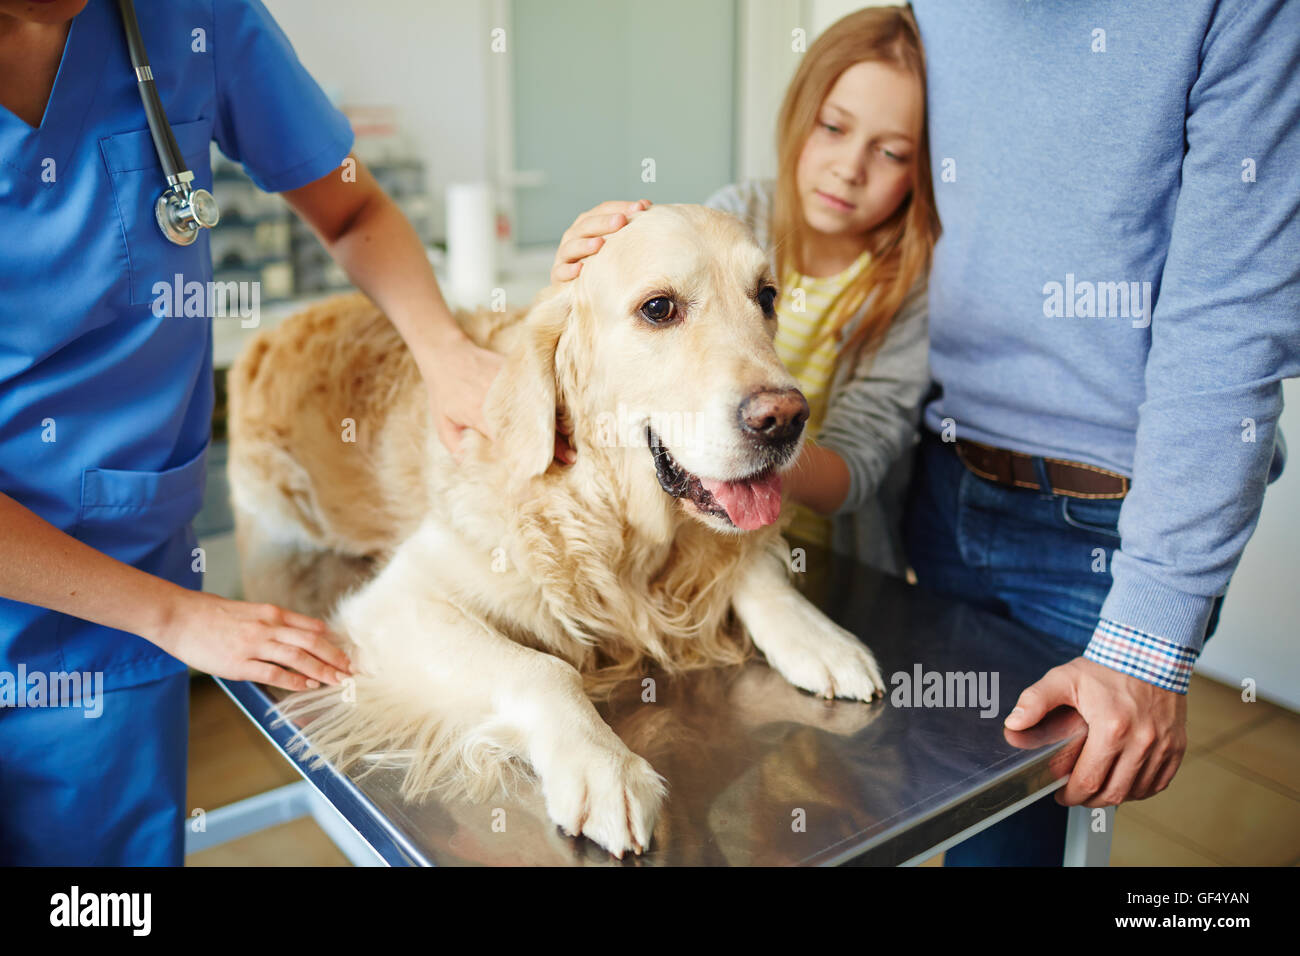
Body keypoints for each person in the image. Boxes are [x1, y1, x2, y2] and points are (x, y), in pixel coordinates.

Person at [0, 0, 499, 865]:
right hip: (139, 605)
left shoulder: (193, 17)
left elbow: (348, 209)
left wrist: (446, 350)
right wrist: (175, 617)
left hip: (119, 607)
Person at [900, 0, 1300, 864]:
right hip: (934, 481)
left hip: (1101, 528)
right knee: (901, 805)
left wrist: (1150, 642)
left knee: (1001, 854)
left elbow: (1232, 315)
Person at [550, 6, 940, 577]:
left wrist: (752, 438)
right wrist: (578, 270)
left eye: (891, 153)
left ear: (921, 170)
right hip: (701, 555)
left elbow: (855, 473)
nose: (849, 169)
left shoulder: (910, 283)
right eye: (833, 127)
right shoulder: (738, 215)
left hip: (829, 566)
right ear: (797, 116)